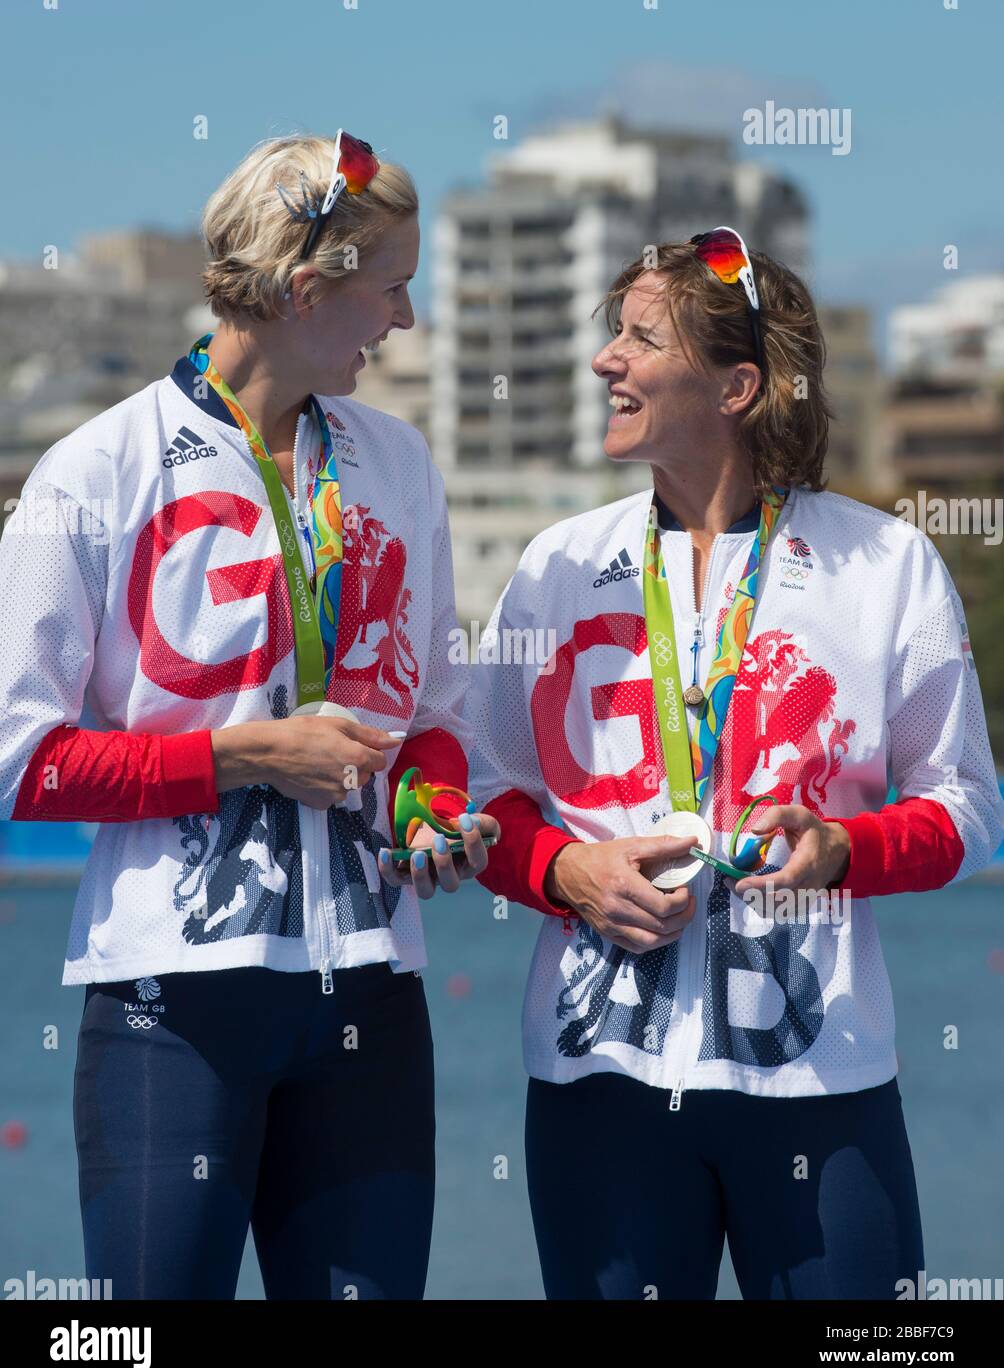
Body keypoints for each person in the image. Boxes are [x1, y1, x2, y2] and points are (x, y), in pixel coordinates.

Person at [0, 130, 496, 1300]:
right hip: (177, 998)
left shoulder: (397, 460)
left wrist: (431, 812)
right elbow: (21, 763)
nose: (407, 321)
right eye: (390, 289)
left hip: (374, 988)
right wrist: (242, 756)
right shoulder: (95, 470)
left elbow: (433, 716)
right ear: (307, 289)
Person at [464, 227, 1004, 1300]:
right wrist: (567, 875)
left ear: (735, 385)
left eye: (638, 336)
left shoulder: (883, 562)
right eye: (608, 332)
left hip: (821, 1079)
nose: (603, 360)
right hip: (599, 1079)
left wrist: (846, 847)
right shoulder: (556, 565)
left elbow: (969, 810)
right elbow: (484, 802)